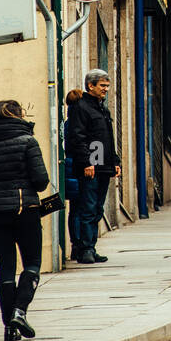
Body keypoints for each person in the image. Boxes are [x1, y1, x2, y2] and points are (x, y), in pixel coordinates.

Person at [0, 98, 49, 341]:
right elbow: (41, 181)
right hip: (24, 208)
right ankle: (19, 311)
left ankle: (10, 328)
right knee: (32, 263)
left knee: (6, 268)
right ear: (18, 116)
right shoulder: (28, 141)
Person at [65, 70, 120, 264]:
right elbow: (77, 137)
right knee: (87, 208)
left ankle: (90, 247)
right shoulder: (81, 107)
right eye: (102, 86)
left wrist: (115, 161)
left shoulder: (101, 108)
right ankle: (85, 249)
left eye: (107, 86)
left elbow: (107, 138)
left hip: (104, 165)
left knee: (97, 208)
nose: (106, 89)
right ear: (91, 85)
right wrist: (87, 162)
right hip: (90, 167)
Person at [63, 90, 84, 262]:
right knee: (81, 209)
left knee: (75, 210)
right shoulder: (80, 121)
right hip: (79, 166)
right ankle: (80, 244)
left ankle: (75, 244)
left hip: (69, 166)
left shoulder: (67, 122)